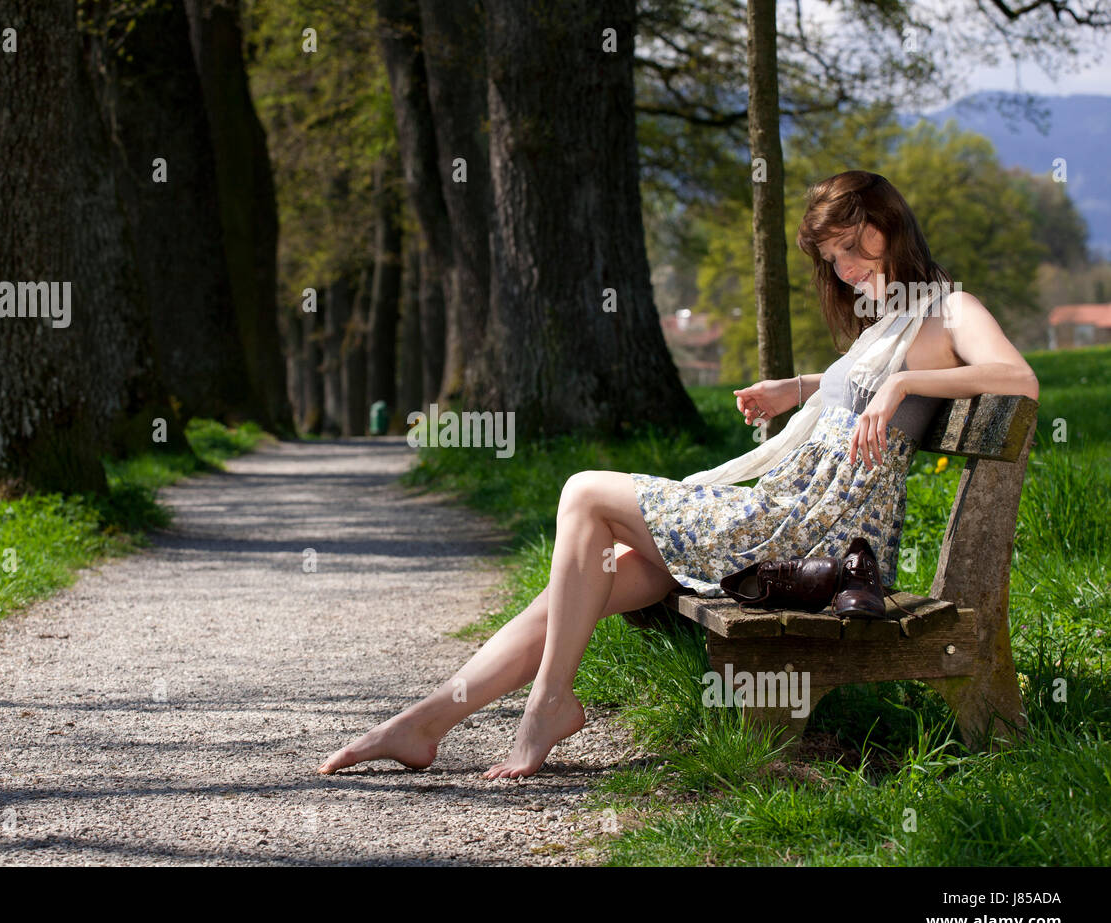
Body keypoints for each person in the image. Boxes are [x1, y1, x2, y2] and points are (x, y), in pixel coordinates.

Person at [317, 169, 1040, 780]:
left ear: (892, 224)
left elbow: (1018, 377)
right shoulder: (888, 322)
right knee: (604, 564)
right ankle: (429, 718)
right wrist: (800, 387)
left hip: (820, 534)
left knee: (584, 492)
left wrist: (904, 384)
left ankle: (545, 706)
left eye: (855, 246)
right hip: (794, 513)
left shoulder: (950, 306)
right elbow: (861, 382)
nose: (847, 268)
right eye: (833, 257)